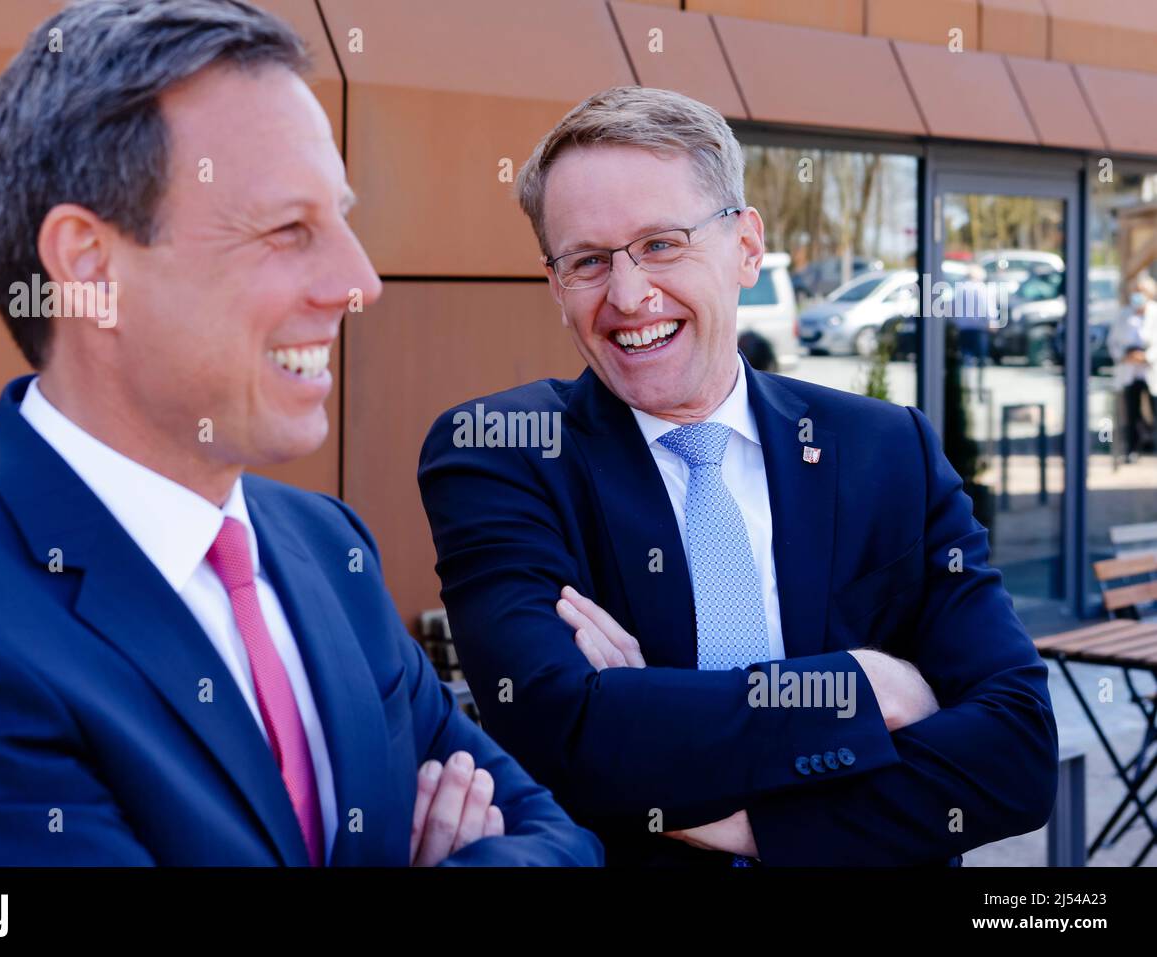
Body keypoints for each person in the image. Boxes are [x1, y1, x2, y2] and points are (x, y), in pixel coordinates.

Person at [0, 0, 599, 868]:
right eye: (288, 229)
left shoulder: (327, 546)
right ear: (90, 267)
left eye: (342, 218)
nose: (359, 282)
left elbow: (559, 841)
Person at [418, 86, 1058, 867]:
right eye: (588, 261)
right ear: (556, 285)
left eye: (662, 243)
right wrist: (869, 686)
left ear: (747, 247)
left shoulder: (888, 450)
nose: (628, 295)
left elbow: (1017, 752)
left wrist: (744, 815)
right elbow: (565, 733)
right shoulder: (502, 455)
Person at [1107, 276, 1157, 461]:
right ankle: (1132, 449)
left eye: (1141, 291)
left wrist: (1147, 356)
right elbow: (1113, 341)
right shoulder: (1124, 314)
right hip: (1129, 368)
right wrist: (1124, 356)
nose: (1138, 295)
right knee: (1131, 410)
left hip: (1150, 368)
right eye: (1135, 291)